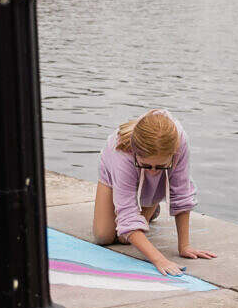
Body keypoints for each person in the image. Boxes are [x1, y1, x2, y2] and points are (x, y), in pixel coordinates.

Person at [91, 109, 218, 276]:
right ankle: (149, 202)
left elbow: (181, 194)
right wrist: (159, 259)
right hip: (113, 170)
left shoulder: (180, 144)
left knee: (125, 238)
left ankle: (151, 203)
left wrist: (184, 246)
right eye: (146, 166)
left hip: (155, 168)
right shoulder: (120, 154)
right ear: (136, 154)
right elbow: (127, 217)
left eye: (159, 166)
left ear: (173, 155)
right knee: (104, 237)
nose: (152, 172)